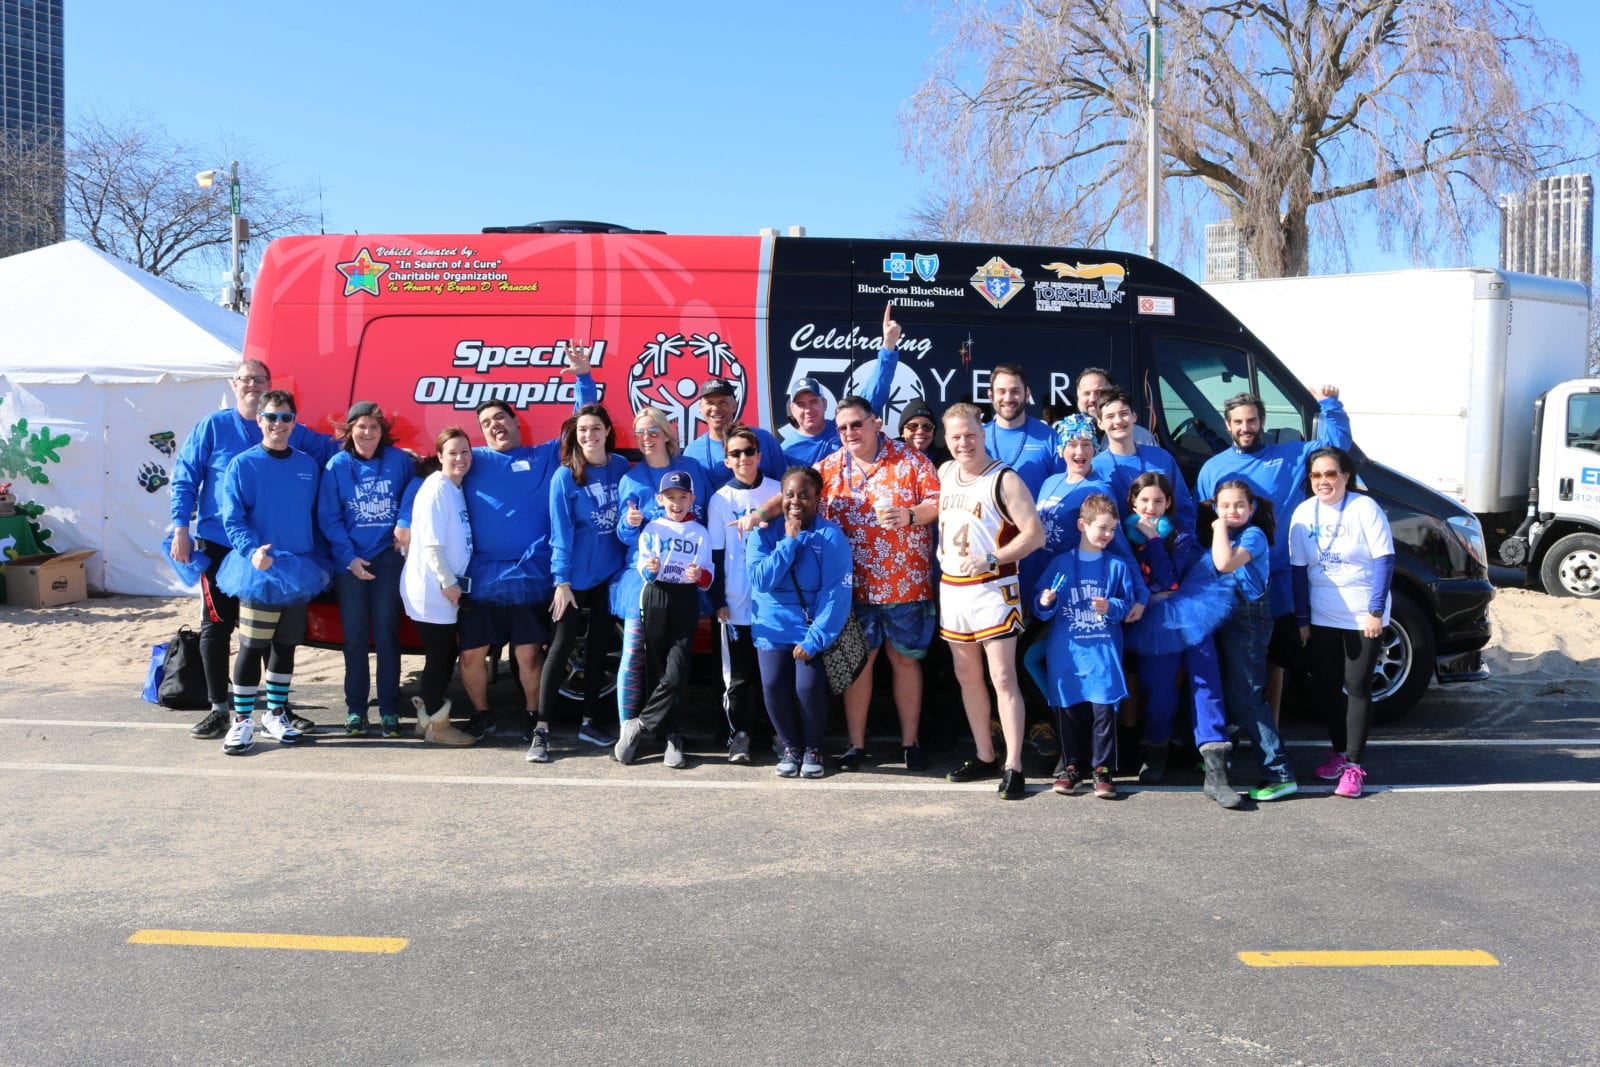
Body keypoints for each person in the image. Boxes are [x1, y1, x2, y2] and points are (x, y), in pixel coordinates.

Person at [167, 359, 335, 740]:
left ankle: (277, 709)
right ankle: (220, 710)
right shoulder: (214, 425)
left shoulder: (292, 430)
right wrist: (181, 528)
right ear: (234, 383)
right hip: (220, 542)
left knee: (269, 632)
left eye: (259, 379)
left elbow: (331, 452)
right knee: (218, 625)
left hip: (276, 550)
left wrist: (384, 454)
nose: (252, 385)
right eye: (245, 379)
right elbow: (186, 477)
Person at [456, 345, 599, 747]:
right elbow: (427, 480)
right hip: (481, 576)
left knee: (527, 654)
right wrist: (406, 521)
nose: (494, 425)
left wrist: (582, 376)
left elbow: (581, 424)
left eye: (500, 417)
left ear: (515, 420)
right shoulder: (472, 459)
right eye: (485, 422)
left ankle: (533, 718)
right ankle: (482, 716)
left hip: (527, 573)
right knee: (471, 654)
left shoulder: (543, 457)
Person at [1196, 385, 1352, 717]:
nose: (1245, 428)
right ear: (1227, 425)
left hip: (1281, 579)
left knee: (1276, 658)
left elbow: (1338, 449)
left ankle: (1272, 727)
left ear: (1262, 422)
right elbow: (1204, 527)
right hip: (1232, 583)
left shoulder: (1291, 456)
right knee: (1232, 659)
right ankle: (1237, 729)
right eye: (1237, 422)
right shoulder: (1212, 469)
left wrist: (1330, 404)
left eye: (1251, 421)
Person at [817, 394, 941, 771]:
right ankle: (855, 746)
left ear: (876, 422)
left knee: (904, 662)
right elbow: (801, 503)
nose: (850, 432)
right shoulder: (828, 468)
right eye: (842, 427)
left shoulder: (911, 459)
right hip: (852, 587)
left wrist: (910, 514)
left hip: (906, 583)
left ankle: (910, 743)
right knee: (858, 665)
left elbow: (938, 502)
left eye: (856, 424)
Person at [936, 403, 1045, 800]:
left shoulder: (1005, 478)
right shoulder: (946, 472)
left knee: (1002, 677)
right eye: (955, 437)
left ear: (982, 435)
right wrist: (911, 515)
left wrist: (993, 557)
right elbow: (942, 508)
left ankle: (1013, 764)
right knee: (967, 677)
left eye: (969, 435)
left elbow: (1034, 535)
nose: (963, 443)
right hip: (952, 587)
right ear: (945, 440)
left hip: (993, 587)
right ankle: (984, 753)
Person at [213, 390, 331, 755]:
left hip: (299, 569)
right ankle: (242, 721)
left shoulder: (308, 465)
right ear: (259, 420)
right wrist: (251, 553)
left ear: (295, 422)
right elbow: (232, 519)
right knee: (252, 646)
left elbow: (315, 516)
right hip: (259, 571)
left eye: (285, 418)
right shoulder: (243, 465)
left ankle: (275, 714)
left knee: (285, 646)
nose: (278, 424)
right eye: (270, 417)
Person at [1121, 472, 1242, 808]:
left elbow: (1169, 578)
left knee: (1206, 680)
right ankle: (1156, 749)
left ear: (1169, 502)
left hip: (1191, 605)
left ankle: (1216, 771)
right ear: (1132, 502)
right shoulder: (1121, 535)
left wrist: (1155, 540)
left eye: (1158, 501)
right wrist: (1144, 539)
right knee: (1159, 688)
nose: (1151, 507)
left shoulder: (1180, 533)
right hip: (1153, 618)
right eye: (1144, 500)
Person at [1289, 446, 1394, 799]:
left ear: (1346, 476)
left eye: (1331, 474)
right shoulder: (1303, 514)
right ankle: (1337, 752)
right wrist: (1303, 619)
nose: (1323, 481)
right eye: (1316, 475)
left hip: (1362, 613)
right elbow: (1298, 571)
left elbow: (1384, 560)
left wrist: (1376, 611)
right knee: (1324, 687)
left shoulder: (1365, 508)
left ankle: (1353, 765)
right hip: (1322, 615)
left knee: (1357, 686)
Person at [746, 465, 854, 778]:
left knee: (807, 688)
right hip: (771, 624)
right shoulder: (764, 531)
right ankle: (791, 747)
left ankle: (813, 748)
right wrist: (789, 542)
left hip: (811, 627)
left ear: (817, 497)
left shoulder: (830, 535)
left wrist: (815, 638)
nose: (796, 501)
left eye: (804, 495)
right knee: (773, 686)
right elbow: (760, 580)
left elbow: (837, 592)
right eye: (789, 494)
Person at [613, 405, 712, 747]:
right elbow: (623, 537)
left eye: (653, 431)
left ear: (668, 433)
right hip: (644, 577)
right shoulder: (631, 477)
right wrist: (629, 525)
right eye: (639, 433)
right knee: (635, 653)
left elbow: (705, 516)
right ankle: (628, 728)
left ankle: (670, 733)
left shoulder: (691, 468)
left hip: (685, 577)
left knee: (676, 660)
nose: (646, 439)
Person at [316, 401, 415, 737]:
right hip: (350, 561)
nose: (367, 433)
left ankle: (389, 710)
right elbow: (328, 517)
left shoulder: (400, 460)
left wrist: (404, 521)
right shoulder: (336, 466)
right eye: (361, 426)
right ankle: (356, 709)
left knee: (388, 637)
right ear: (349, 430)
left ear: (382, 431)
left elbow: (416, 489)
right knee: (355, 639)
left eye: (374, 427)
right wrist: (348, 557)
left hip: (388, 559)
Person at [540, 404, 632, 763]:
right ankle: (542, 729)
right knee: (561, 648)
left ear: (608, 431)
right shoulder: (565, 477)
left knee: (599, 651)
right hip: (574, 578)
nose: (589, 436)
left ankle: (589, 720)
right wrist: (561, 581)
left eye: (595, 428)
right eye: (582, 431)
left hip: (608, 577)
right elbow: (559, 533)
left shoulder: (621, 467)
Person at [1033, 494, 1137, 798]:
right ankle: (1073, 766)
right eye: (1101, 527)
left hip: (1103, 653)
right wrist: (1045, 600)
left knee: (1104, 711)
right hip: (1068, 653)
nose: (1106, 534)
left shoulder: (1116, 566)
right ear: (1082, 524)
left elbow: (1127, 605)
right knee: (1068, 710)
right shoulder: (1060, 564)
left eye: (1111, 529)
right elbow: (1041, 604)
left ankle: (1103, 769)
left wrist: (1112, 606)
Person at [1210, 479, 1296, 801]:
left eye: (1238, 505)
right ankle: (1226, 754)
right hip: (1228, 618)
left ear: (1252, 508)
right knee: (1233, 693)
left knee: (1248, 695)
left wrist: (1217, 525)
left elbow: (1224, 563)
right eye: (1225, 505)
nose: (1231, 511)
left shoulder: (1253, 535)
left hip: (1248, 622)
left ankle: (1279, 772)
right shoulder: (1229, 534)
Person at [399, 428, 479, 746]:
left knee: (443, 655)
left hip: (444, 589)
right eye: (452, 453)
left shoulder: (454, 487)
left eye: (465, 452)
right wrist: (449, 583)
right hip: (432, 589)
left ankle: (426, 720)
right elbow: (432, 545)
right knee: (440, 657)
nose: (459, 458)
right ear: (439, 456)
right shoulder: (436, 489)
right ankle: (436, 724)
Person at [707, 425, 782, 763]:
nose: (743, 458)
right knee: (737, 677)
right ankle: (740, 736)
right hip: (736, 601)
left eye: (748, 452)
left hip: (775, 602)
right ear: (726, 460)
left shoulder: (778, 491)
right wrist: (717, 600)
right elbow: (716, 554)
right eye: (735, 453)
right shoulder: (720, 499)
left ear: (759, 455)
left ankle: (781, 735)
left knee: (775, 674)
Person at [781, 302, 900, 467]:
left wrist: (888, 345)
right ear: (792, 411)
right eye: (801, 404)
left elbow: (876, 388)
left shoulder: (846, 427)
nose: (808, 410)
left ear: (824, 403)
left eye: (814, 401)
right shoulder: (785, 451)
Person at [1091, 387, 1197, 535]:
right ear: (1100, 423)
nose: (1118, 421)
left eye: (1124, 413)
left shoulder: (1160, 458)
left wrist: (1181, 546)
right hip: (1118, 553)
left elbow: (1183, 507)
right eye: (1110, 416)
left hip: (1164, 549)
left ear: (1134, 416)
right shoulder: (1096, 467)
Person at [684, 378, 787, 493]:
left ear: (734, 405)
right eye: (709, 403)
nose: (716, 408)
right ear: (700, 408)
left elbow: (784, 486)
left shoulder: (764, 439)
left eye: (722, 402)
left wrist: (764, 511)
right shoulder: (692, 452)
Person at [1073, 367, 1156, 452]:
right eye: (1087, 393)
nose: (1092, 399)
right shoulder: (1067, 435)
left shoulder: (1140, 436)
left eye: (1100, 392)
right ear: (1078, 396)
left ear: (1112, 392)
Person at [898, 397, 948, 466]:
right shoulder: (888, 459)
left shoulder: (947, 462)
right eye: (913, 426)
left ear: (933, 431)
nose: (920, 431)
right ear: (902, 432)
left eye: (927, 426)